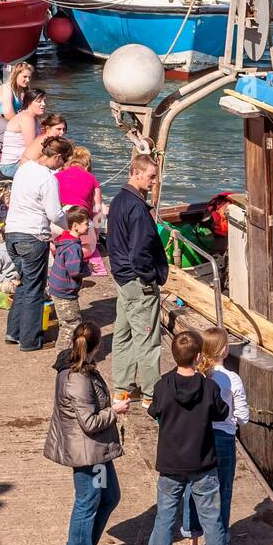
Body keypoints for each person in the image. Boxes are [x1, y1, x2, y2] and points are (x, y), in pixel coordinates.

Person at [135, 330, 240, 545]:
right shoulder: (209, 387)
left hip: (171, 465)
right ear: (198, 357)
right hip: (203, 464)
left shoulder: (163, 385)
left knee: (164, 520)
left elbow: (154, 411)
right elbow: (222, 412)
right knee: (212, 520)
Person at [43, 321, 129, 545]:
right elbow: (89, 422)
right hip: (87, 452)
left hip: (95, 450)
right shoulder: (77, 377)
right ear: (98, 345)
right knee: (88, 502)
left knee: (109, 496)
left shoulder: (79, 368)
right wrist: (114, 411)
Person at [107, 155, 168, 410]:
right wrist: (150, 276)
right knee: (148, 339)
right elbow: (139, 252)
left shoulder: (119, 201)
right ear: (135, 173)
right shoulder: (138, 208)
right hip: (137, 280)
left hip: (122, 278)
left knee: (123, 335)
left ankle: (122, 389)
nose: (155, 182)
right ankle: (152, 394)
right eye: (151, 176)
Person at [184, 327, 248, 545]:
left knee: (195, 490)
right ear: (224, 350)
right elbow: (243, 416)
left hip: (199, 438)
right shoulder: (231, 379)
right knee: (222, 494)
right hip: (223, 438)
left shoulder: (198, 375)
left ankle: (192, 542)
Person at [3, 136, 71, 351]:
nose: (64, 165)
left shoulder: (24, 169)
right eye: (64, 160)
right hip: (33, 237)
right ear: (57, 157)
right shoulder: (48, 179)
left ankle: (14, 331)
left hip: (12, 233)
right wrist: (70, 225)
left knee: (24, 283)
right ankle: (30, 340)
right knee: (34, 288)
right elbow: (54, 213)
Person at [48, 207, 91, 354]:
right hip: (65, 290)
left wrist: (84, 264)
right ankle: (63, 354)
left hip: (57, 286)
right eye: (86, 223)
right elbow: (74, 271)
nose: (89, 226)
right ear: (75, 226)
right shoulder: (74, 248)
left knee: (65, 322)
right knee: (72, 323)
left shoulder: (64, 240)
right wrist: (87, 270)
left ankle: (64, 352)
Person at [56, 146, 105, 264]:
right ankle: (74, 254)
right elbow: (97, 209)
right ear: (87, 166)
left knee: (54, 242)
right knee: (89, 247)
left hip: (59, 220)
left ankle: (57, 251)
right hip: (80, 220)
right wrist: (97, 233)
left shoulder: (57, 176)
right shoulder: (92, 179)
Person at [0, 90, 47, 178]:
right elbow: (32, 148)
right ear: (29, 103)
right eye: (39, 101)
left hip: (17, 163)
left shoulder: (32, 118)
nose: (43, 104)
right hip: (11, 167)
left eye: (44, 101)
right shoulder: (27, 118)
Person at [0, 62, 33, 144]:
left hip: (6, 123)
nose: (27, 80)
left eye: (29, 77)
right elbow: (9, 115)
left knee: (29, 132)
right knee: (21, 133)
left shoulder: (23, 94)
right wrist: (26, 126)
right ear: (16, 75)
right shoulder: (6, 89)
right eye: (25, 76)